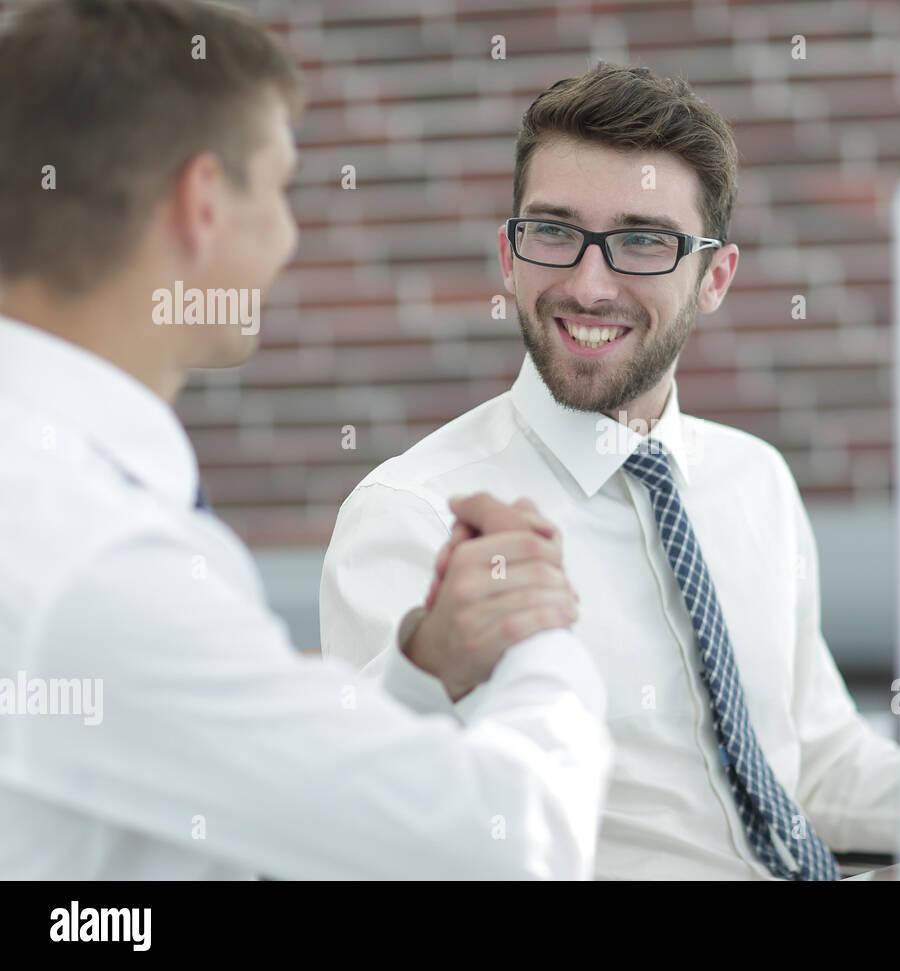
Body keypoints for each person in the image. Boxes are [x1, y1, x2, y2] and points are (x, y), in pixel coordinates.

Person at [0, 0, 611, 880]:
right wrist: (544, 637)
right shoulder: (96, 556)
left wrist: (424, 670)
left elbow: (224, 771)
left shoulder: (64, 503)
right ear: (202, 201)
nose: (290, 236)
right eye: (282, 187)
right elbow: (510, 844)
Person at [321, 63, 900, 880]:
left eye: (643, 241)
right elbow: (364, 817)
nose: (588, 285)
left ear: (715, 277)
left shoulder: (754, 478)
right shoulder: (414, 515)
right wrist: (430, 662)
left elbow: (814, 762)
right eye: (554, 232)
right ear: (508, 256)